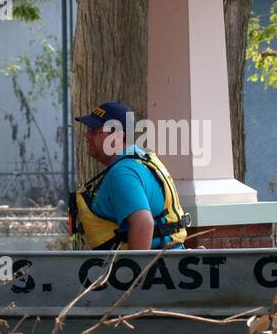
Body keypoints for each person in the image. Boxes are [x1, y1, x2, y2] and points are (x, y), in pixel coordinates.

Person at [70, 101, 190, 250]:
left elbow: (143, 224)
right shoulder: (140, 159)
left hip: (151, 269)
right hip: (166, 263)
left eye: (94, 130)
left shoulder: (123, 173)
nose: (87, 135)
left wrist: (136, 271)